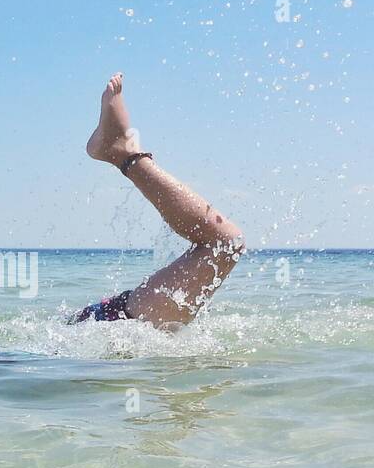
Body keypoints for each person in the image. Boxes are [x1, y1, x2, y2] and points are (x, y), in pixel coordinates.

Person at [71, 74, 244, 328]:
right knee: (223, 242)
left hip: (109, 322)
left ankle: (123, 154)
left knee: (223, 242)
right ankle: (124, 155)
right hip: (111, 321)